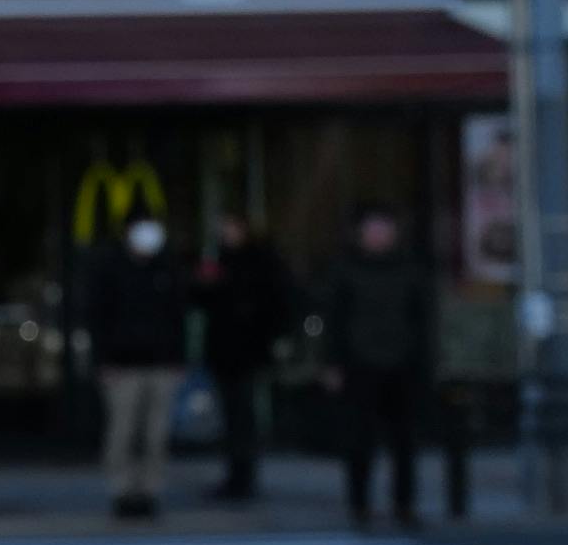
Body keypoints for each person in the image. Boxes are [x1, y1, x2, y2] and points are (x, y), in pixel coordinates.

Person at [323, 202, 443, 528]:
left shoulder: (410, 269)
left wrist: (427, 362)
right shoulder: (346, 269)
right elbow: (333, 320)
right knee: (359, 439)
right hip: (359, 362)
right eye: (372, 229)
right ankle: (359, 504)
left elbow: (424, 320)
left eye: (383, 229)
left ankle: (404, 504)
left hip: (402, 362)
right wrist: (332, 363)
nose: (378, 236)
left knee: (404, 439)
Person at [76, 210, 190, 521]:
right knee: (122, 432)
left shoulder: (167, 268)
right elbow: (96, 317)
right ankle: (122, 490)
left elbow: (178, 317)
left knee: (156, 434)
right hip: (121, 365)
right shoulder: (109, 268)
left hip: (161, 364)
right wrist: (102, 360)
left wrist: (179, 358)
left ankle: (150, 491)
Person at [192, 207, 298, 505]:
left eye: (232, 227)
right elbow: (202, 301)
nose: (227, 233)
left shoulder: (262, 261)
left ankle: (244, 474)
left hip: (249, 350)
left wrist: (271, 338)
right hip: (224, 350)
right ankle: (236, 474)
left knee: (243, 415)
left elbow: (279, 303)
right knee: (232, 416)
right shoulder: (219, 261)